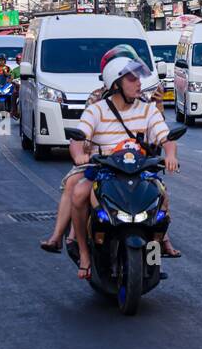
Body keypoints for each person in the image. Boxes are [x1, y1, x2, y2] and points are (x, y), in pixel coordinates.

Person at [67, 56, 180, 279]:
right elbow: (77, 138)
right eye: (131, 78)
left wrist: (171, 155)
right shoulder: (96, 110)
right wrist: (79, 155)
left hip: (140, 170)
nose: (138, 83)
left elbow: (166, 137)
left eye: (138, 78)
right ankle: (84, 253)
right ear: (116, 83)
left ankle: (154, 259)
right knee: (79, 194)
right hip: (105, 171)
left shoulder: (148, 110)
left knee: (162, 200)